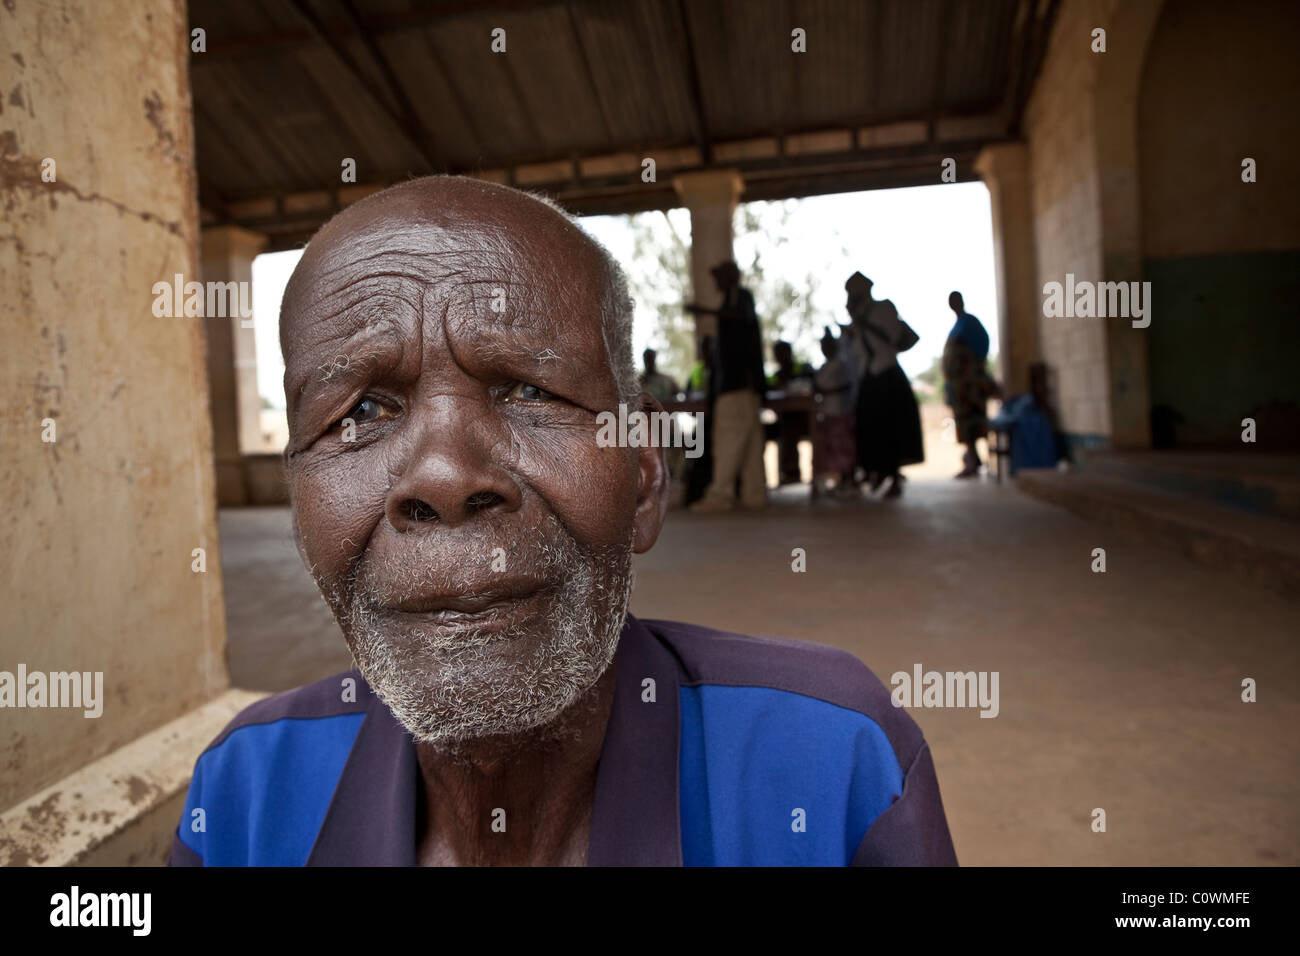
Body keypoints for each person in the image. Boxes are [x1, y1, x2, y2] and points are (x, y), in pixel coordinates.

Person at [166, 178, 956, 867]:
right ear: (299, 498)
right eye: (362, 411)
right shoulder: (242, 794)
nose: (444, 477)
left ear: (645, 475)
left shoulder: (832, 765)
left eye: (529, 392)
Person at [685, 261, 768, 513]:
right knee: (750, 445)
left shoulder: (740, 298)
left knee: (728, 442)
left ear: (731, 277)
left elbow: (740, 317)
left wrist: (704, 311)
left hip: (736, 387)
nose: (716, 282)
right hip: (745, 387)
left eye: (720, 277)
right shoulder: (734, 301)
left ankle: (721, 495)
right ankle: (755, 495)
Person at [845, 272, 924, 498]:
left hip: (887, 375)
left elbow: (892, 337)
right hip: (868, 378)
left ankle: (894, 477)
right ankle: (876, 472)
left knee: (892, 428)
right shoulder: (856, 318)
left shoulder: (883, 309)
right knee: (870, 429)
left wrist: (864, 324)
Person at [942, 292, 998, 479]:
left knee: (974, 423)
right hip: (960, 388)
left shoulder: (970, 323)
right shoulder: (957, 326)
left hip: (970, 387)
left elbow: (981, 345)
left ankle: (976, 462)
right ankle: (974, 460)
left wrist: (971, 370)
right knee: (965, 426)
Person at [812, 328, 857, 496]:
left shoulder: (841, 365)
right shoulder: (827, 366)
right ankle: (838, 480)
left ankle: (847, 480)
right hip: (830, 413)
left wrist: (823, 390)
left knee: (843, 447)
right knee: (832, 448)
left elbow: (829, 387)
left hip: (840, 412)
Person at [768, 340, 815, 485]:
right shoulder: (776, 375)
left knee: (789, 430)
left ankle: (791, 473)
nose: (781, 357)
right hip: (783, 420)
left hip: (802, 419)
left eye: (783, 353)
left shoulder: (802, 370)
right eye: (778, 354)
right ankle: (787, 473)